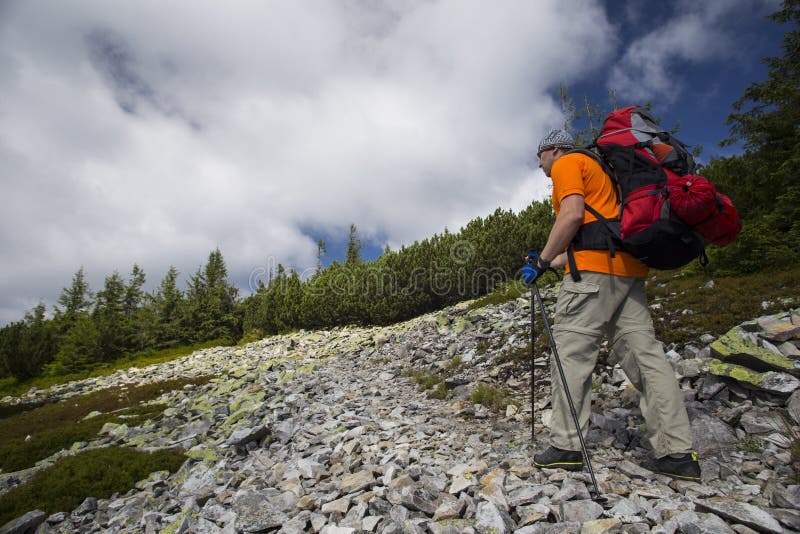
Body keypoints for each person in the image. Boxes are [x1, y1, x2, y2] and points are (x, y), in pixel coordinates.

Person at [522, 129, 701, 481]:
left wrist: (541, 261)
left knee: (571, 356)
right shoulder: (606, 173)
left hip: (591, 278)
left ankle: (567, 446)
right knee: (646, 358)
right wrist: (552, 261)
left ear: (553, 150)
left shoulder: (568, 163)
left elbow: (572, 216)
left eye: (539, 156)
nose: (540, 164)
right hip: (627, 273)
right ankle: (678, 453)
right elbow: (596, 232)